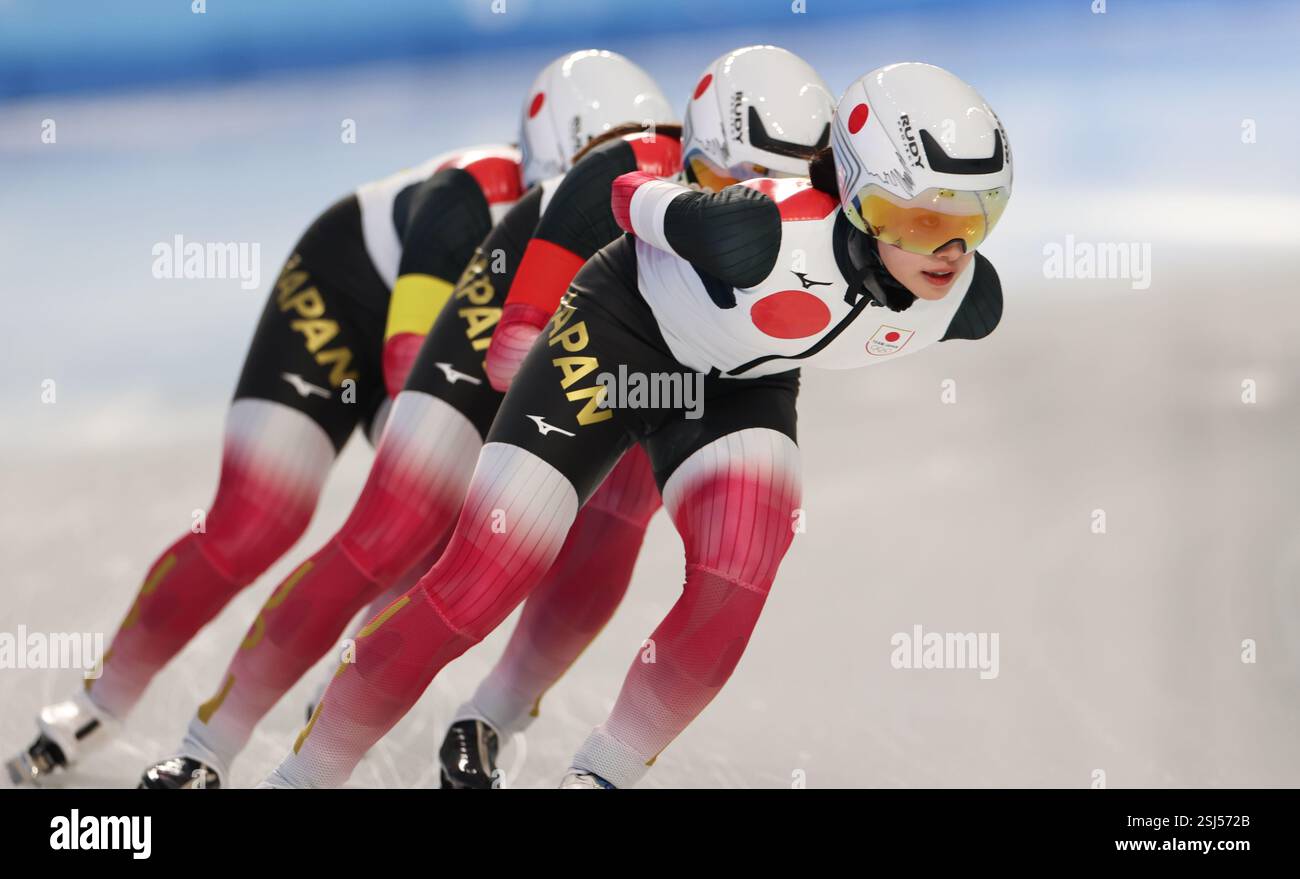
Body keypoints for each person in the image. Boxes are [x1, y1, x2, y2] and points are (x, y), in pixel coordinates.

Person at [259, 61, 1013, 790]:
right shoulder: (758, 233)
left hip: (738, 379)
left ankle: (596, 772)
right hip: (622, 332)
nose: (946, 250)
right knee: (484, 575)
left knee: (743, 563)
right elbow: (626, 195)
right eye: (914, 219)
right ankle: (303, 774)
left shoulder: (971, 300)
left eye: (973, 220)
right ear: (853, 196)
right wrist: (527, 309)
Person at [140, 45, 833, 789]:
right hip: (534, 329)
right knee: (405, 533)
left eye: (776, 195)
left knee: (614, 533)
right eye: (735, 188)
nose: (748, 221)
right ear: (692, 160)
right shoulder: (616, 177)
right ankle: (213, 742)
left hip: (663, 359)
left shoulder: (813, 229)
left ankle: (486, 721)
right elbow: (509, 355)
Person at [5, 49, 676, 787]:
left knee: (539, 509)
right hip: (348, 301)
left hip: (467, 334)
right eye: (599, 175)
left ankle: (398, 696)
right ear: (557, 164)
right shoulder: (469, 200)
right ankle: (123, 714)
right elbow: (407, 369)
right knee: (266, 521)